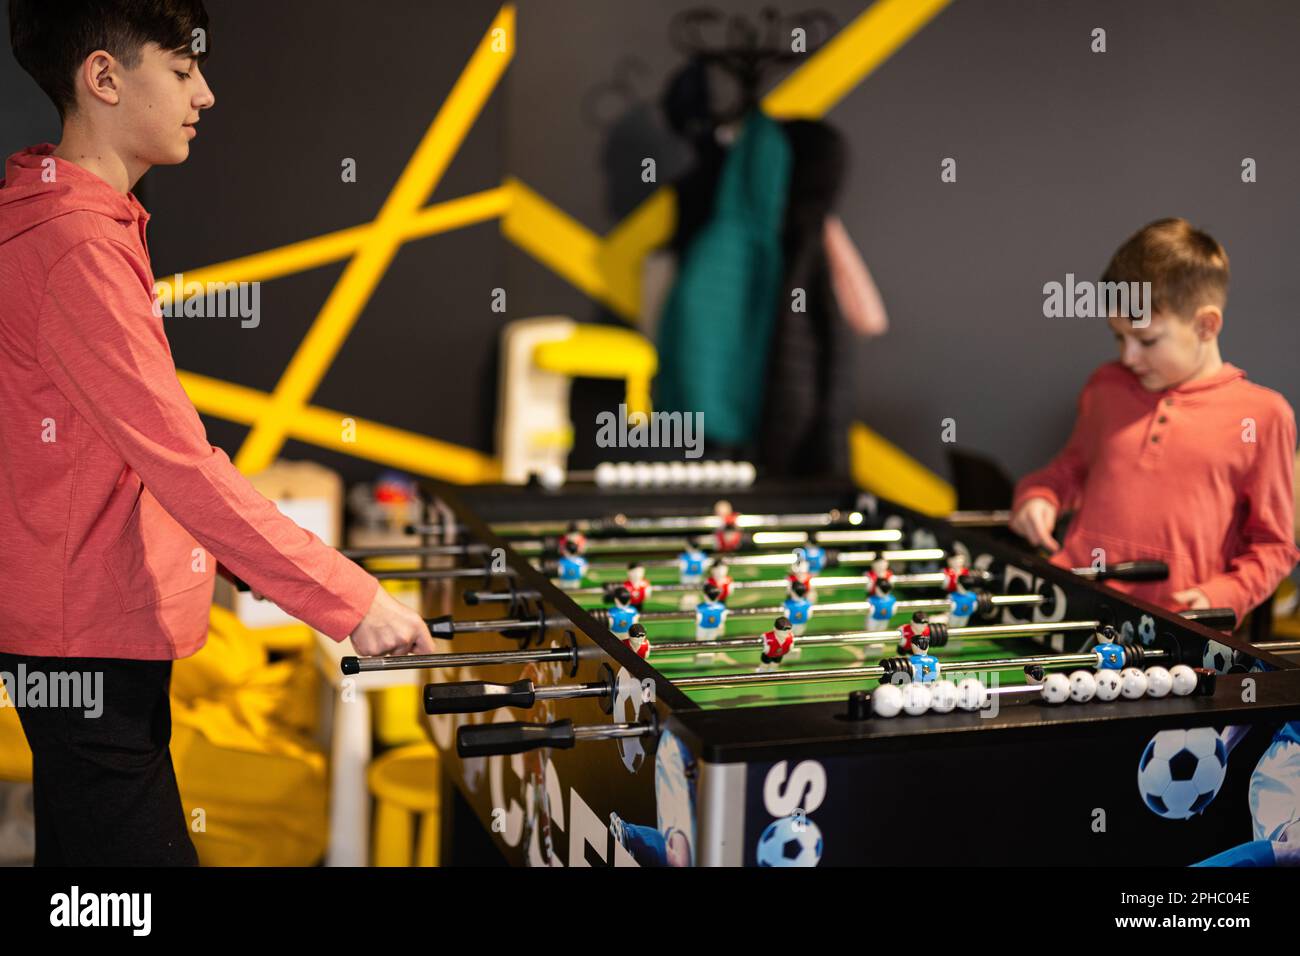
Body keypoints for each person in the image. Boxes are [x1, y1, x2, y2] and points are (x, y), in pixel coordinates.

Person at [0, 0, 431, 866]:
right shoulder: (77, 244)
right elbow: (180, 465)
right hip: (83, 645)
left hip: (78, 637)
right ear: (106, 77)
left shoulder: (71, 220)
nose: (207, 92)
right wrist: (351, 600)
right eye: (184, 67)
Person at [1009, 219, 1299, 626]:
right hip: (1072, 607)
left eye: (1145, 340)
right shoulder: (1106, 386)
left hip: (1174, 628)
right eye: (1118, 337)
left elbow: (1274, 545)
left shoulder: (1265, 416)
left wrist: (1223, 596)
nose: (1128, 357)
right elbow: (1070, 470)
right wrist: (1040, 496)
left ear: (1205, 325)